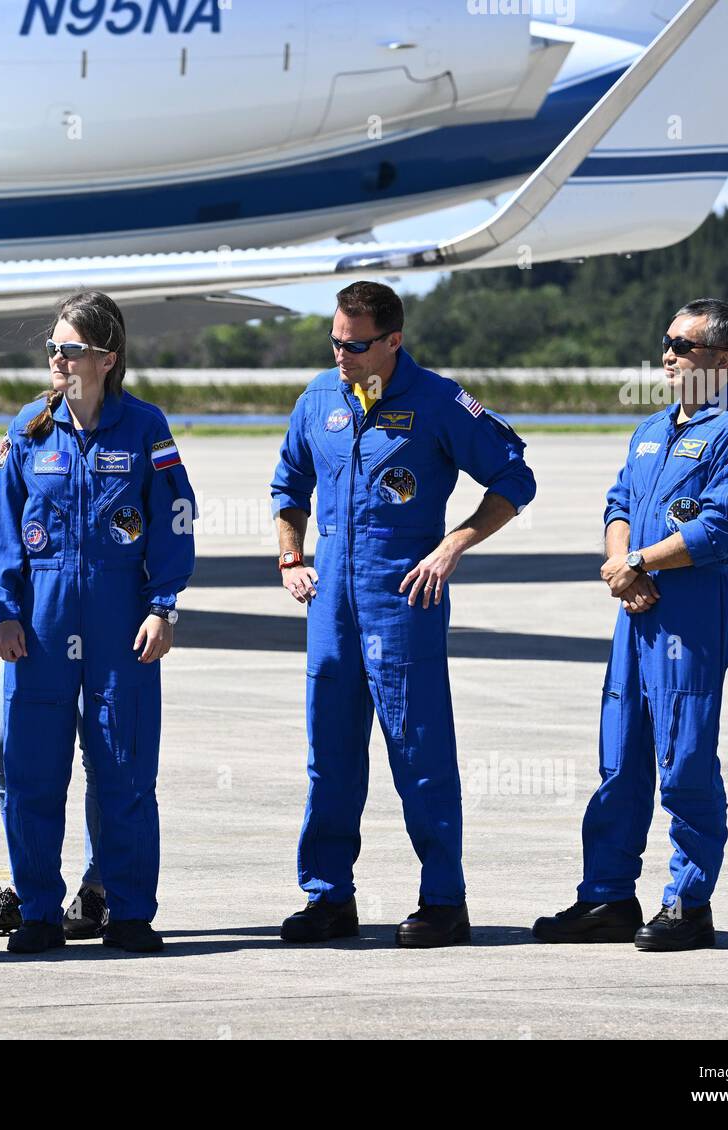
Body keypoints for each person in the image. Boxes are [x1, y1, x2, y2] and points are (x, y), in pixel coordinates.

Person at [271, 281, 536, 947]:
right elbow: (287, 485)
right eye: (335, 341)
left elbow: (514, 478)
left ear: (393, 340)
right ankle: (328, 898)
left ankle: (444, 902)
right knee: (329, 756)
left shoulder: (442, 401)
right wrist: (290, 555)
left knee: (419, 753)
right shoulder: (318, 399)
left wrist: (454, 544)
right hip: (330, 603)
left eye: (356, 345)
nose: (343, 355)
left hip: (404, 600)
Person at [534, 298, 728, 951]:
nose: (667, 353)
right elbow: (618, 501)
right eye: (666, 341)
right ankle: (608, 897)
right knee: (620, 758)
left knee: (685, 759)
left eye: (682, 345)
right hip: (634, 614)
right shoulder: (648, 431)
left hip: (690, 618)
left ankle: (688, 905)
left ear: (720, 360)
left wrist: (637, 561)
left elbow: (721, 528)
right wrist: (621, 564)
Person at [0, 291, 195, 955]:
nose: (57, 358)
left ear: (106, 358)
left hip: (121, 627)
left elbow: (175, 519)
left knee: (125, 772)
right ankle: (41, 912)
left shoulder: (144, 428)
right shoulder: (28, 429)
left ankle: (127, 912)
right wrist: (3, 610)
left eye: (69, 349)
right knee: (33, 774)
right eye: (52, 347)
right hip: (39, 630)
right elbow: (1, 528)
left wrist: (165, 607)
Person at [0, 675, 108, 940]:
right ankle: (25, 886)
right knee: (3, 750)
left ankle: (96, 888)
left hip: (95, 638)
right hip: (37, 638)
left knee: (100, 755)